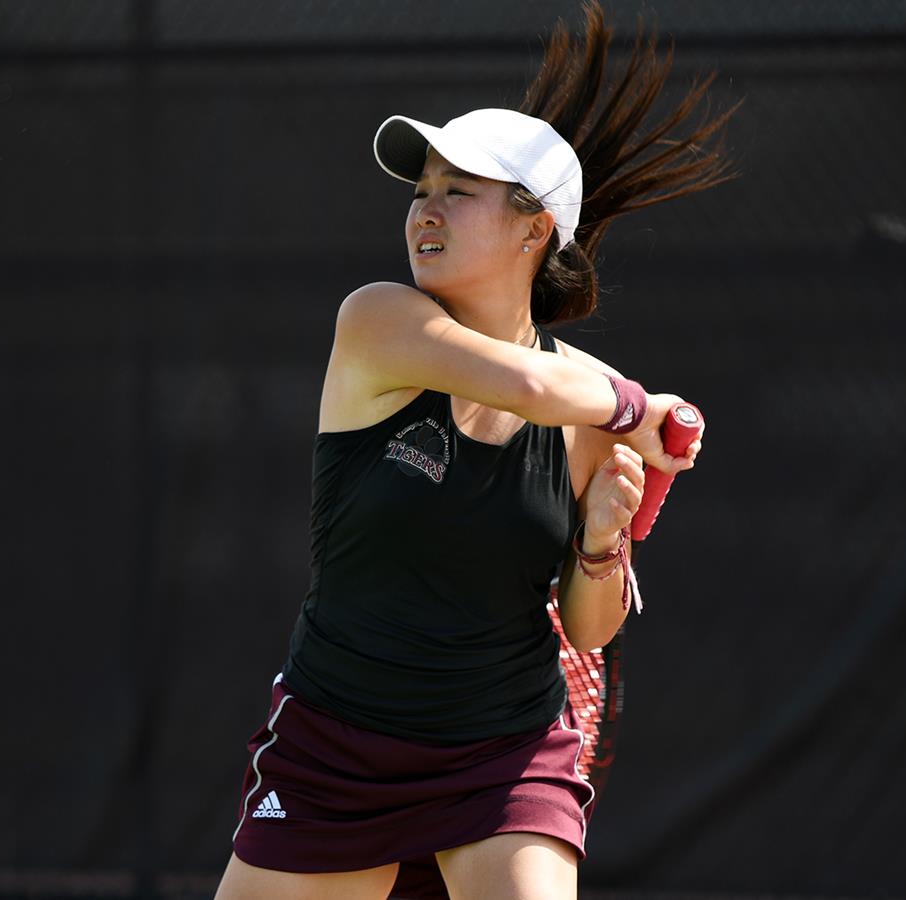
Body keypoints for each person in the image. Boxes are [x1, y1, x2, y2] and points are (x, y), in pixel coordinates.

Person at [214, 4, 734, 898]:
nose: (427, 208)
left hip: (503, 755)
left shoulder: (586, 406)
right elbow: (528, 386)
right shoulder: (378, 323)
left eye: (461, 191)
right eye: (422, 190)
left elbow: (590, 626)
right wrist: (641, 408)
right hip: (335, 745)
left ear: (536, 231)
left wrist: (603, 538)